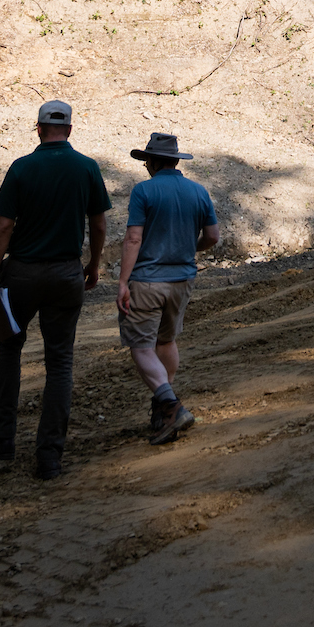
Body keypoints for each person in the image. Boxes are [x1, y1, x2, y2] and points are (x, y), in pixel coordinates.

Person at [0, 98, 110, 479]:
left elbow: (4, 225)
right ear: (69, 129)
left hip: (20, 274)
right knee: (60, 362)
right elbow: (99, 225)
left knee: (8, 349)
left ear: (38, 128)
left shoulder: (21, 167)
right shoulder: (86, 167)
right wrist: (94, 264)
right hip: (66, 274)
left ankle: (3, 440)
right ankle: (49, 455)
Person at [114, 132, 217, 445]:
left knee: (141, 346)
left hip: (147, 280)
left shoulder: (144, 191)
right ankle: (163, 408)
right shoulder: (198, 192)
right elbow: (212, 236)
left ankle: (171, 405)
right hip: (182, 280)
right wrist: (188, 249)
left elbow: (133, 239)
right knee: (166, 339)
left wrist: (122, 281)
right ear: (175, 160)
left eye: (147, 160)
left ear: (153, 162)